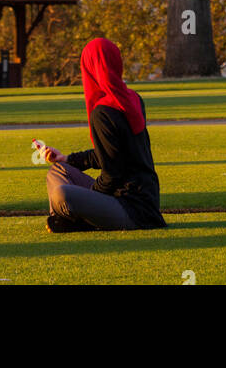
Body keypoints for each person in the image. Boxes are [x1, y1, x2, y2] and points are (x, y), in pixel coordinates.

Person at [42, 37, 167, 233]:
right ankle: (69, 219)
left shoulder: (102, 112)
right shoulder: (133, 98)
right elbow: (112, 155)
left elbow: (112, 175)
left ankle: (73, 219)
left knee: (63, 195)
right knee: (59, 170)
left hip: (130, 209)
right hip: (145, 200)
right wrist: (66, 158)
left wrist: (89, 198)